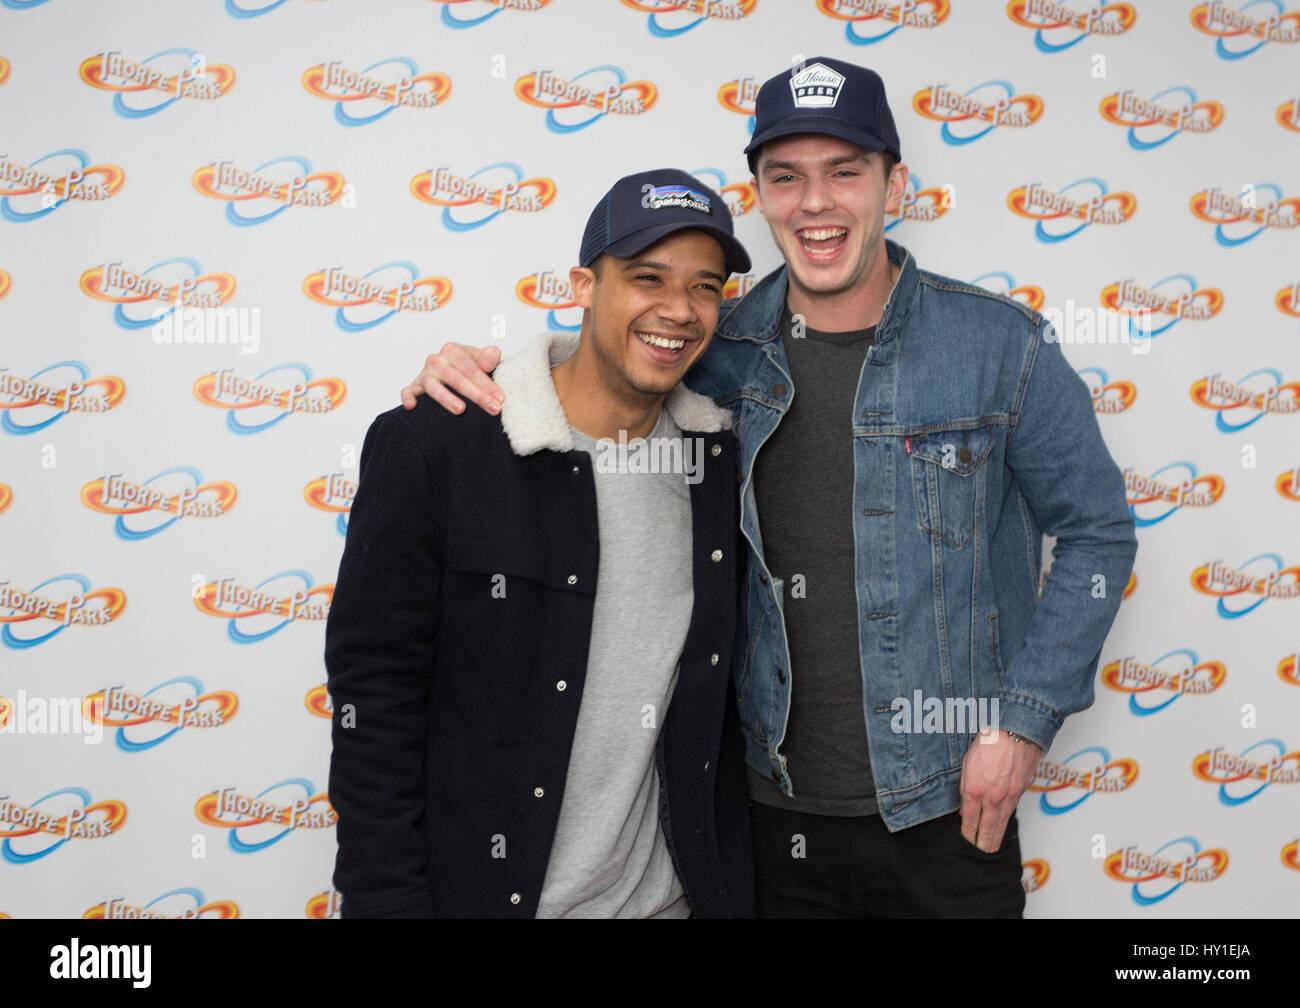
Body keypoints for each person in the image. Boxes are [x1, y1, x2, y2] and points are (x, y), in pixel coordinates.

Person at [400, 58, 1138, 918]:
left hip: (946, 813)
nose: (815, 203)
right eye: (786, 177)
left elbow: (1097, 533)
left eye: (844, 172)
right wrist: (474, 375)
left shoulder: (1001, 347)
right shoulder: (714, 351)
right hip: (761, 823)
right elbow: (596, 368)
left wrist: (1021, 723)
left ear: (894, 183)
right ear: (760, 193)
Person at [326, 168, 755, 918]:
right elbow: (375, 700)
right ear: (584, 285)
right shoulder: (440, 445)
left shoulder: (716, 463)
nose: (678, 311)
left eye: (705, 287)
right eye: (648, 277)